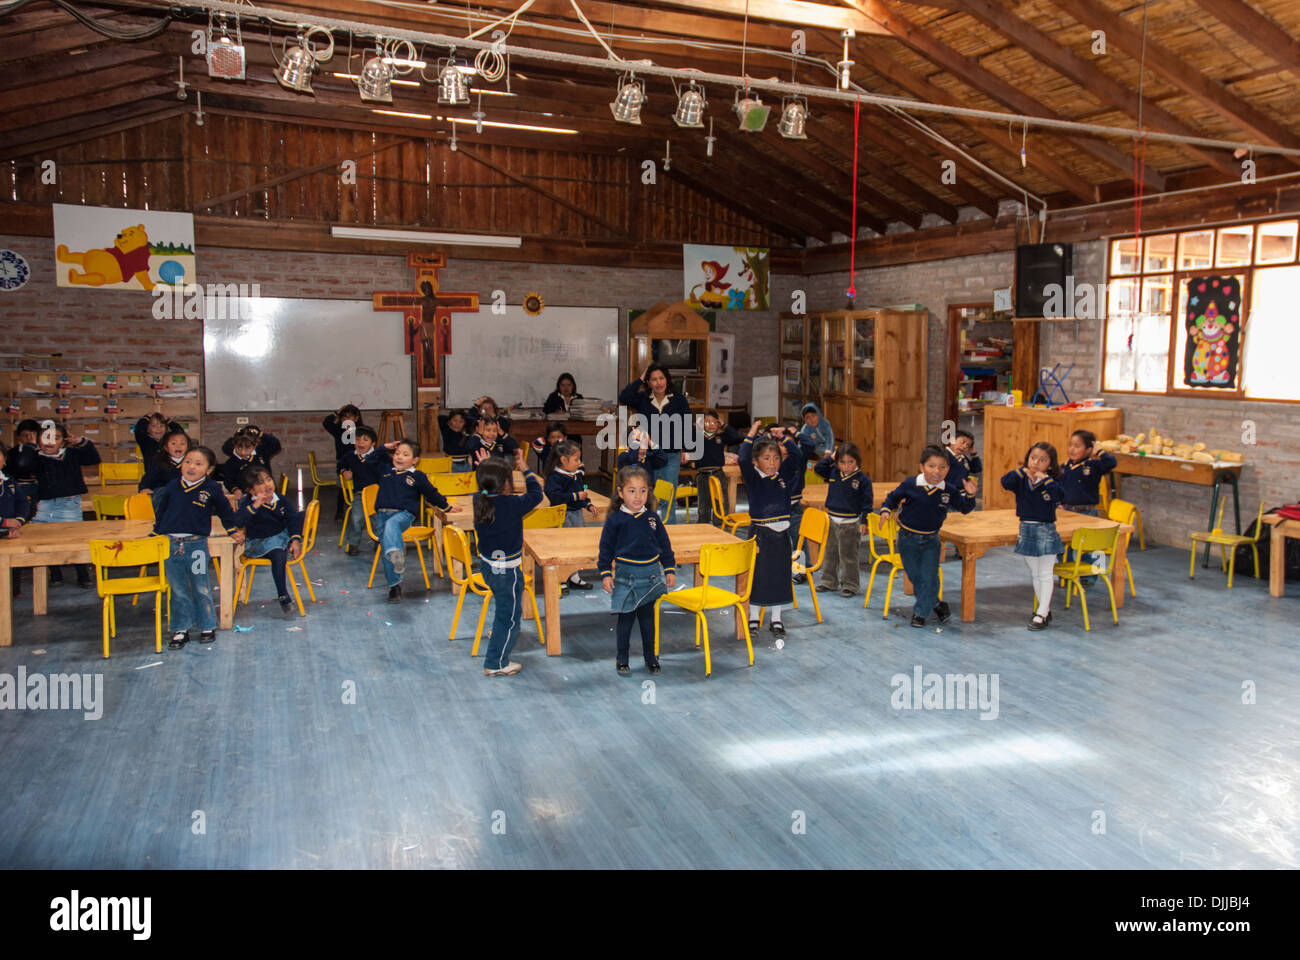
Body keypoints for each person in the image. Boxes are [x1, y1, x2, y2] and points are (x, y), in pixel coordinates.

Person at [153, 445, 243, 647]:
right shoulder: (172, 486)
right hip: (171, 546)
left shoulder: (211, 488)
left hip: (196, 546)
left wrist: (232, 529)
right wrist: (157, 530)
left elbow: (224, 510)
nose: (191, 466)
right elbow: (162, 510)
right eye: (188, 462)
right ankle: (180, 629)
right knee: (177, 589)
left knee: (200, 587)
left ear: (209, 469)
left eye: (198, 463)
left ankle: (207, 625)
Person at [880, 444, 977, 627]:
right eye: (931, 466)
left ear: (948, 469)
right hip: (908, 539)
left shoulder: (949, 490)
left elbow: (964, 508)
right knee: (916, 576)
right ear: (922, 467)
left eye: (942, 467)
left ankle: (920, 613)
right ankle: (937, 604)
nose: (936, 471)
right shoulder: (911, 484)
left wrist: (970, 496)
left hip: (931, 540)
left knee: (929, 576)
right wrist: (886, 510)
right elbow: (892, 497)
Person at [598, 464, 675, 675]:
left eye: (643, 490)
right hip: (626, 577)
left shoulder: (652, 518)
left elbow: (665, 545)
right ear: (621, 493)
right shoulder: (615, 520)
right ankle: (622, 659)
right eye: (632, 491)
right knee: (625, 622)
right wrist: (605, 573)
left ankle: (650, 658)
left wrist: (669, 569)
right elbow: (605, 549)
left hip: (650, 577)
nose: (638, 496)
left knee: (648, 622)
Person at [473, 449, 542, 677]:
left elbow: (485, 487)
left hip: (488, 566)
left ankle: (499, 634)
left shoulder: (479, 499)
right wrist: (525, 467)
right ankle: (496, 663)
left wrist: (485, 469)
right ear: (506, 483)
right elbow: (536, 493)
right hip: (508, 571)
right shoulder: (512, 504)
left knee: (503, 608)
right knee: (510, 617)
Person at [736, 421, 805, 637]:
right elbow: (741, 458)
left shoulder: (782, 477)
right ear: (756, 462)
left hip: (781, 537)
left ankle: (777, 619)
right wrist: (751, 435)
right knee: (758, 577)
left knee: (780, 577)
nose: (772, 462)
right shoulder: (753, 478)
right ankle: (754, 617)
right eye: (766, 458)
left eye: (776, 458)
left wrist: (783, 437)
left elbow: (799, 458)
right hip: (760, 536)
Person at [13, 422, 100, 587]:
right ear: (38, 440)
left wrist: (81, 441)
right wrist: (30, 445)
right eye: (45, 437)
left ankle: (83, 574)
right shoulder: (37, 457)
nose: (50, 441)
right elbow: (23, 465)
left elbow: (93, 458)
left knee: (74, 539)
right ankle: (56, 574)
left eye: (56, 438)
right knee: (46, 539)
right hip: (46, 504)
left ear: (64, 441)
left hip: (69, 504)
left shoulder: (71, 454)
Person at [370, 439, 451, 603]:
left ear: (415, 460)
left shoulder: (417, 476)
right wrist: (383, 448)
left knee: (392, 525)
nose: (399, 457)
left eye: (405, 454)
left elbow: (431, 493)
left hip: (404, 515)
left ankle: (396, 553)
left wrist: (447, 507)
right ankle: (394, 586)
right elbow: (369, 461)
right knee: (387, 552)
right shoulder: (385, 470)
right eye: (397, 453)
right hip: (381, 515)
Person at [1002, 442, 1065, 631]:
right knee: (1035, 573)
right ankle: (1043, 609)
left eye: (1043, 460)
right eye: (1033, 458)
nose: (1036, 462)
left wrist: (1045, 480)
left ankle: (1041, 613)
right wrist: (1021, 471)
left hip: (1045, 530)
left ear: (1050, 465)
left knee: (1045, 573)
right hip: (1026, 529)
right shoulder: (1021, 479)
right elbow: (1005, 482)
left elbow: (1061, 495)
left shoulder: (1051, 482)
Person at [619, 363, 692, 522]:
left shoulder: (679, 399)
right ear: (648, 382)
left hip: (671, 455)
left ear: (667, 379)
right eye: (653, 379)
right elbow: (623, 397)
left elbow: (687, 425)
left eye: (661, 378)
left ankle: (668, 530)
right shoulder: (643, 399)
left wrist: (686, 449)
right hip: (648, 456)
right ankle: (647, 528)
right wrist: (640, 378)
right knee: (646, 496)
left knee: (668, 497)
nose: (658, 383)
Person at [233, 466, 304, 617]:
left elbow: (292, 520)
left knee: (299, 517)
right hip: (259, 544)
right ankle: (283, 595)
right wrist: (255, 506)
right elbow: (238, 521)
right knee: (278, 554)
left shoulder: (281, 499)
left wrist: (295, 540)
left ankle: (289, 546)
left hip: (280, 537)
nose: (267, 485)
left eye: (269, 480)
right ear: (251, 491)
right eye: (260, 483)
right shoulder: (248, 503)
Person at [1058, 429, 1118, 588]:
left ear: (1089, 450)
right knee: (1065, 546)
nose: (1072, 449)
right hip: (1067, 513)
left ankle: (1089, 577)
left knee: (1089, 547)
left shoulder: (1093, 466)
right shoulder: (1065, 467)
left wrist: (1099, 451)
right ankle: (1069, 572)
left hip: (1087, 513)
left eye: (1077, 446)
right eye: (1070, 445)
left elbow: (1111, 463)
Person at [814, 442, 873, 597]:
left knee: (849, 557)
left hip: (850, 524)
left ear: (857, 462)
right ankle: (828, 582)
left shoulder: (862, 480)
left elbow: (867, 504)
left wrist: (865, 521)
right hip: (832, 521)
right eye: (842, 462)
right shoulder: (833, 473)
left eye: (850, 462)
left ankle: (850, 585)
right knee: (830, 553)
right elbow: (818, 469)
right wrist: (830, 458)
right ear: (837, 462)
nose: (846, 466)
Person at [544, 439, 598, 590]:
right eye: (576, 459)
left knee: (576, 546)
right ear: (563, 460)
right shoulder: (555, 477)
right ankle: (561, 579)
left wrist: (588, 504)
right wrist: (576, 496)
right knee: (562, 547)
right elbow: (555, 496)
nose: (579, 462)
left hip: (576, 515)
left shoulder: (575, 475)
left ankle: (574, 577)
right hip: (562, 516)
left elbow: (582, 493)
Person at [338, 426, 393, 556]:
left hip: (378, 494)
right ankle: (353, 543)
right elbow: (340, 464)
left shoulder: (380, 456)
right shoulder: (350, 456)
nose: (360, 443)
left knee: (377, 518)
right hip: (360, 493)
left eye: (365, 440)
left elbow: (392, 467)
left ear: (373, 443)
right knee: (356, 518)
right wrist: (344, 471)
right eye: (357, 440)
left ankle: (378, 541)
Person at [690, 409, 741, 526]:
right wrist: (696, 426)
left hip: (718, 473)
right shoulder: (697, 436)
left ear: (718, 424)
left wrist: (725, 425)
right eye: (707, 422)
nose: (711, 425)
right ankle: (703, 524)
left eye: (714, 422)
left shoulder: (721, 437)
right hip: (702, 475)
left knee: (721, 500)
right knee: (704, 502)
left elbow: (736, 436)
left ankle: (720, 523)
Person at [784, 424, 817, 584]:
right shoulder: (772, 460)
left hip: (794, 506)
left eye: (789, 443)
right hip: (776, 508)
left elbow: (810, 444)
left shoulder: (799, 457)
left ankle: (801, 571)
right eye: (783, 444)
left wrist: (796, 432)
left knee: (799, 540)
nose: (786, 447)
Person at [323, 404, 363, 521]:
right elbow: (326, 422)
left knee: (359, 486)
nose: (346, 420)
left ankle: (361, 508)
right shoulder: (338, 430)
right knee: (342, 488)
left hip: (359, 462)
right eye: (344, 418)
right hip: (343, 463)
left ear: (356, 418)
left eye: (349, 417)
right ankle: (339, 511)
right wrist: (337, 412)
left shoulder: (361, 431)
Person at [139, 428, 191, 497]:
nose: (178, 446)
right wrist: (144, 488)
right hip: (164, 494)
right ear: (166, 447)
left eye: (182, 443)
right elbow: (148, 477)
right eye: (173, 443)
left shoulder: (191, 463)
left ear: (187, 447)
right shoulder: (158, 462)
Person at [220, 430, 271, 494]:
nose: (243, 452)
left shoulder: (261, 457)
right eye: (239, 448)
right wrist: (235, 490)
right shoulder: (230, 463)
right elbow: (228, 480)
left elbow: (275, 444)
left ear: (254, 446)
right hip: (244, 495)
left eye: (247, 448)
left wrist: (260, 434)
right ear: (234, 446)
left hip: (264, 491)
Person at [0, 443, 29, 537]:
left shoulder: (9, 480)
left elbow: (22, 502)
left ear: (4, 459)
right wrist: (4, 522)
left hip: (7, 534)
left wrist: (17, 522)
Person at [436, 408, 473, 473]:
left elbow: (472, 420)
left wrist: (464, 418)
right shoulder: (447, 431)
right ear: (449, 421)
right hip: (450, 464)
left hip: (465, 465)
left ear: (465, 423)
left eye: (461, 421)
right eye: (454, 420)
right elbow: (440, 418)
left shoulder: (467, 432)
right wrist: (450, 418)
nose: (457, 424)